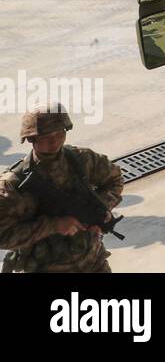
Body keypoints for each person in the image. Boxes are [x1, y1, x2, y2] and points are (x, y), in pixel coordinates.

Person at [0, 103, 124, 273]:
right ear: (31, 138)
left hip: (92, 262)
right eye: (46, 136)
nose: (55, 141)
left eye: (60, 133)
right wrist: (54, 225)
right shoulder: (13, 184)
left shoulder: (82, 159)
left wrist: (101, 209)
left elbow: (114, 180)